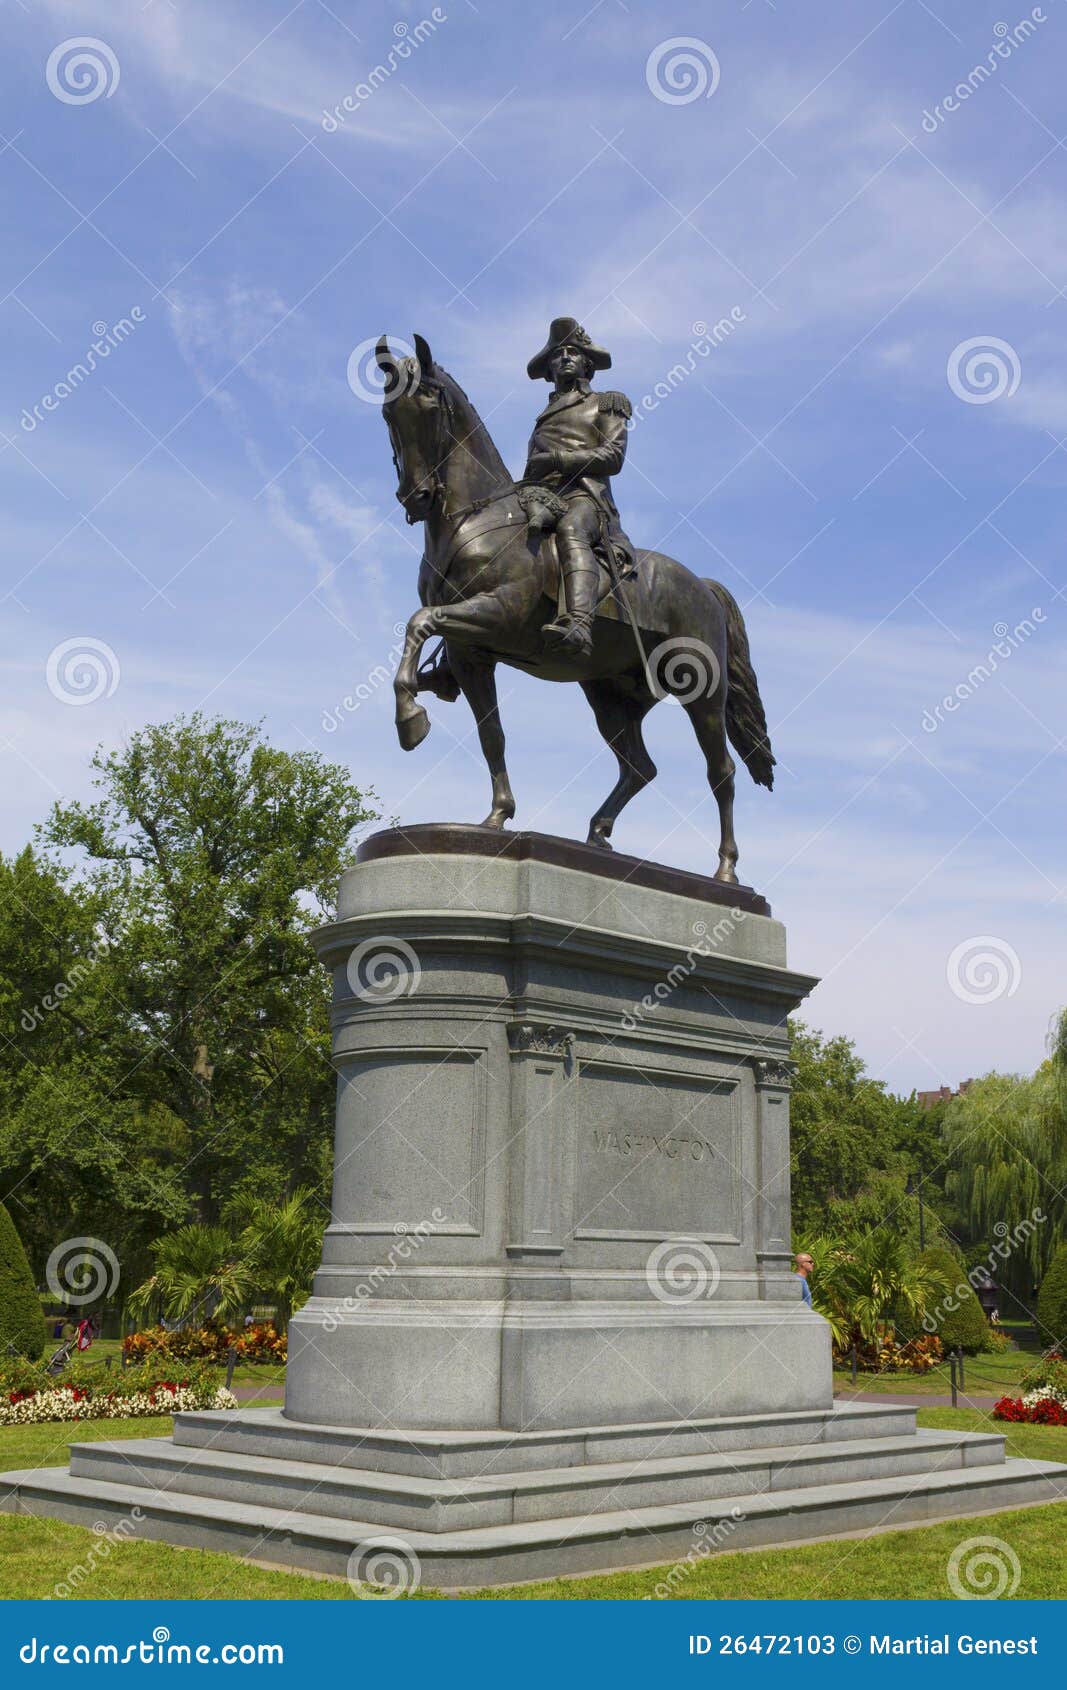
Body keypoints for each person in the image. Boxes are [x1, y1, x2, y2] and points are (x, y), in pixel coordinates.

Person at [523, 316, 634, 659]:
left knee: (572, 528)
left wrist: (557, 459)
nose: (566, 357)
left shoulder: (606, 403)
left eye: (574, 352)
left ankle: (579, 625)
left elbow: (612, 456)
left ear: (588, 363)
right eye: (558, 353)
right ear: (549, 366)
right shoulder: (543, 414)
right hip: (541, 496)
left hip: (585, 497)